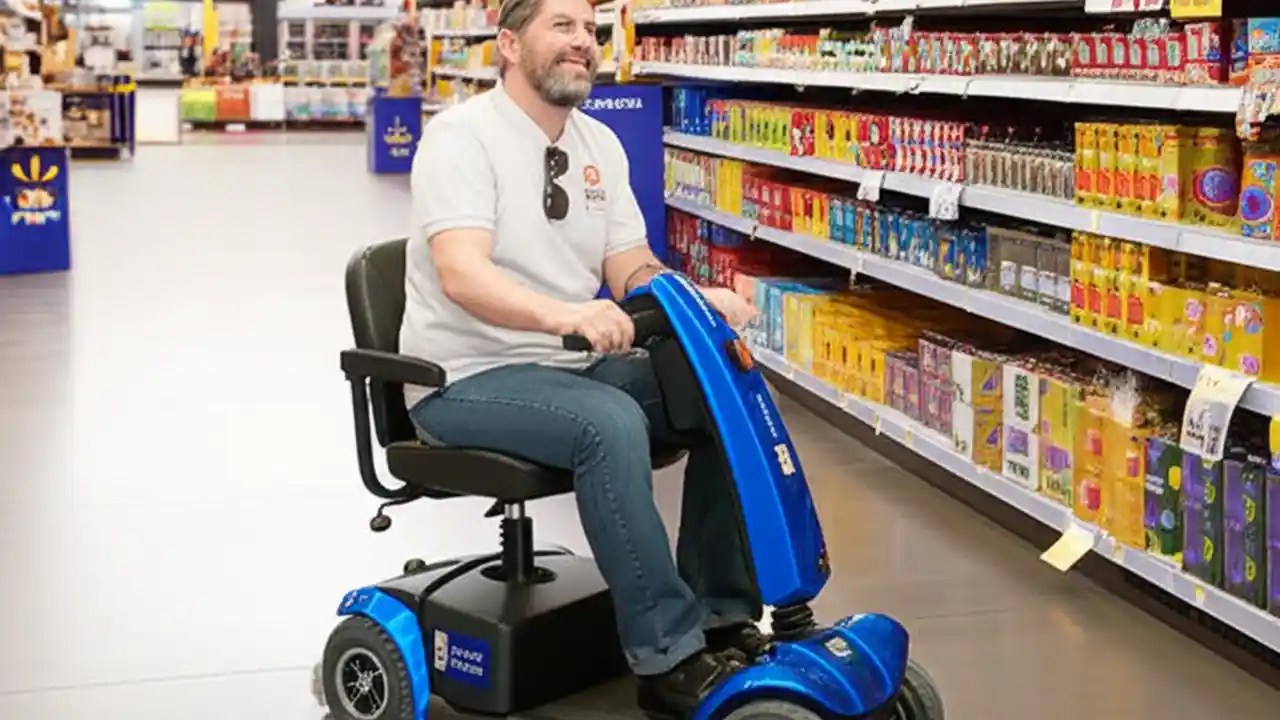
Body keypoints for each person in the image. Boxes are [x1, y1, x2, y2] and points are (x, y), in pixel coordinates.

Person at [399, 0, 767, 715]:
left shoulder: (599, 143)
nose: (583, 43)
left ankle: (722, 614)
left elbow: (629, 265)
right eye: (561, 26)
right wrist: (565, 314)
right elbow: (460, 274)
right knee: (609, 424)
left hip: (566, 368)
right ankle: (668, 657)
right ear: (508, 43)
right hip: (465, 376)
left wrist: (696, 301)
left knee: (722, 387)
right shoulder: (460, 138)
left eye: (591, 30)